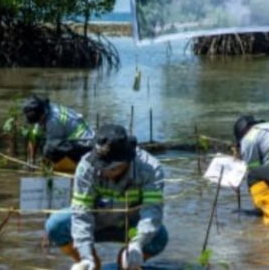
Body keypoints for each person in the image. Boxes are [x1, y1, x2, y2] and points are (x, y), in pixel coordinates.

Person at [46, 124, 167, 270]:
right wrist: (86, 256)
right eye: (101, 166)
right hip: (97, 222)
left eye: (112, 168)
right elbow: (81, 213)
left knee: (159, 237)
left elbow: (152, 211)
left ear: (127, 160)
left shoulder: (150, 168)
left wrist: (138, 243)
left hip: (130, 224)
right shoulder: (86, 167)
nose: (105, 172)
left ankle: (127, 261)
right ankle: (92, 264)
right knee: (55, 225)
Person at [22, 95, 94, 172]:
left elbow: (51, 149)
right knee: (45, 145)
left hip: (85, 146)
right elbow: (33, 138)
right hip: (73, 142)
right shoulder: (44, 110)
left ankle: (71, 167)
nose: (37, 123)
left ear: (41, 115)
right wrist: (30, 161)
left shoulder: (53, 121)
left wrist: (43, 169)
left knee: (49, 149)